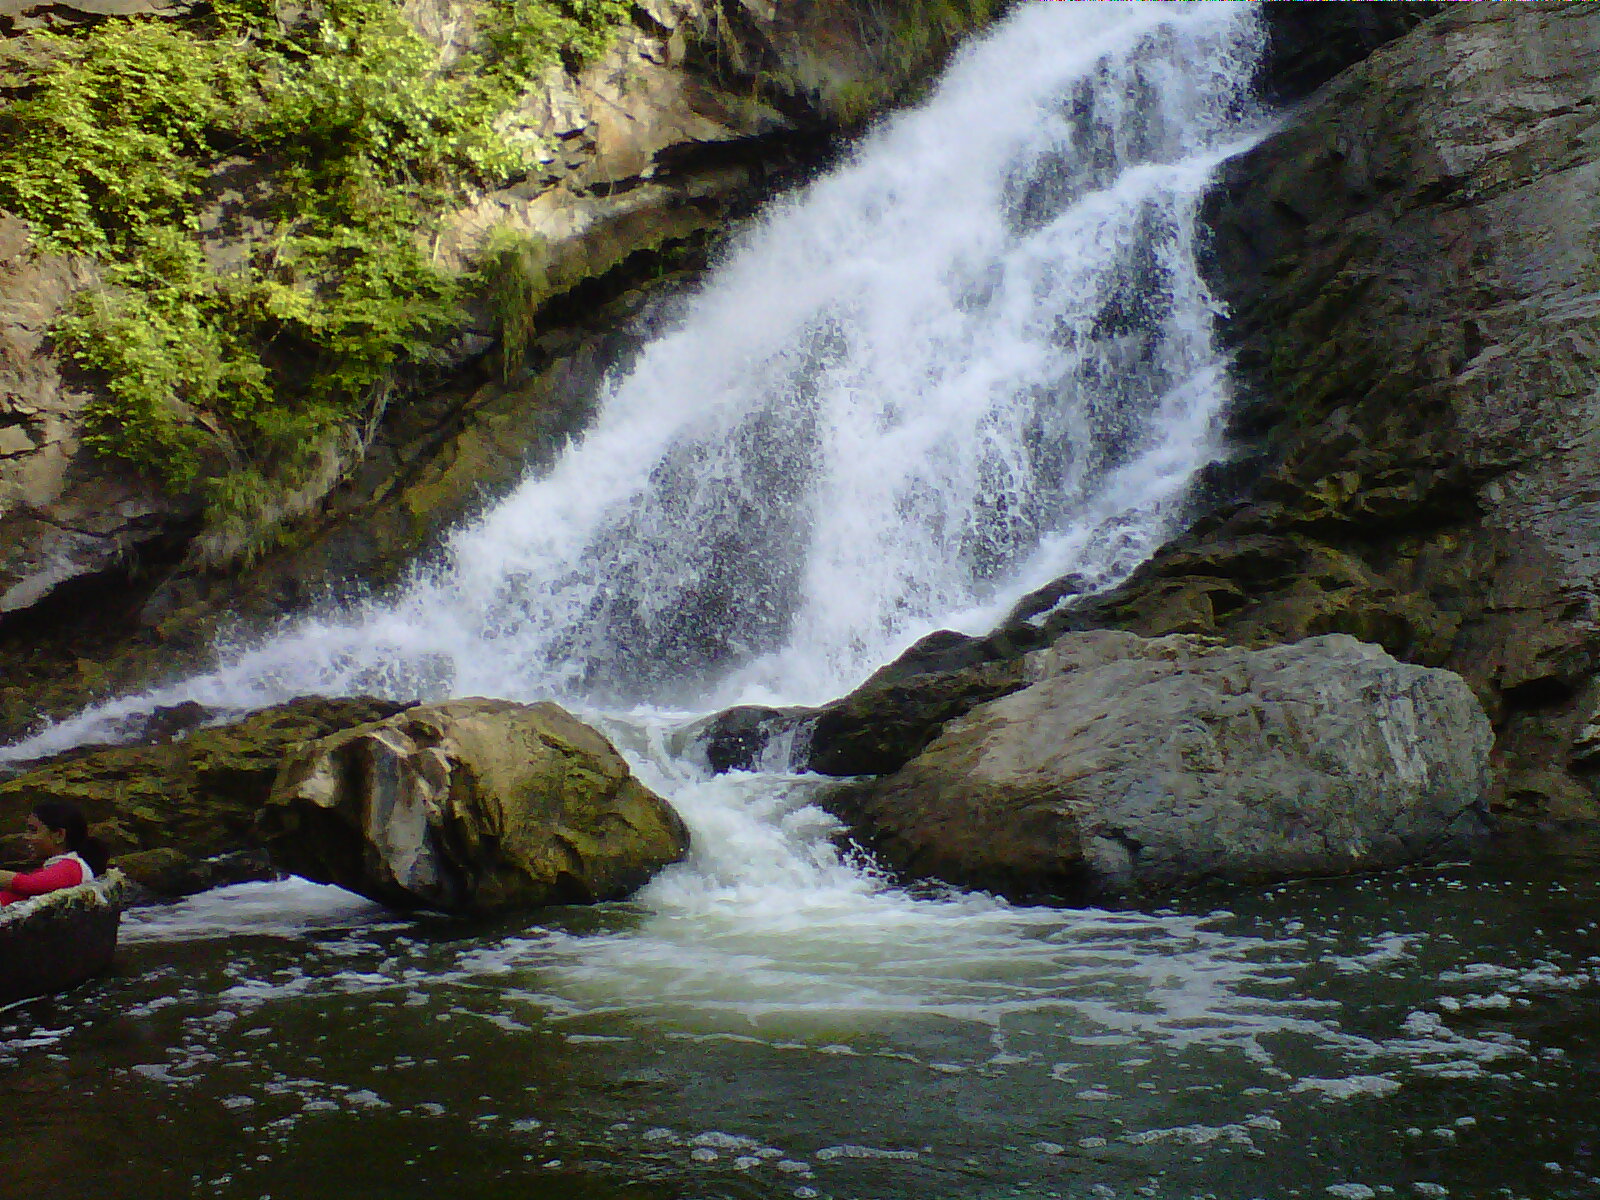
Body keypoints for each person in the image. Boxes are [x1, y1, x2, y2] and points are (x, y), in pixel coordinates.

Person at [0, 802, 110, 907]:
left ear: (59, 835)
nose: (26, 836)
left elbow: (28, 884)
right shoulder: (59, 867)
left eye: (33, 831)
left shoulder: (70, 868)